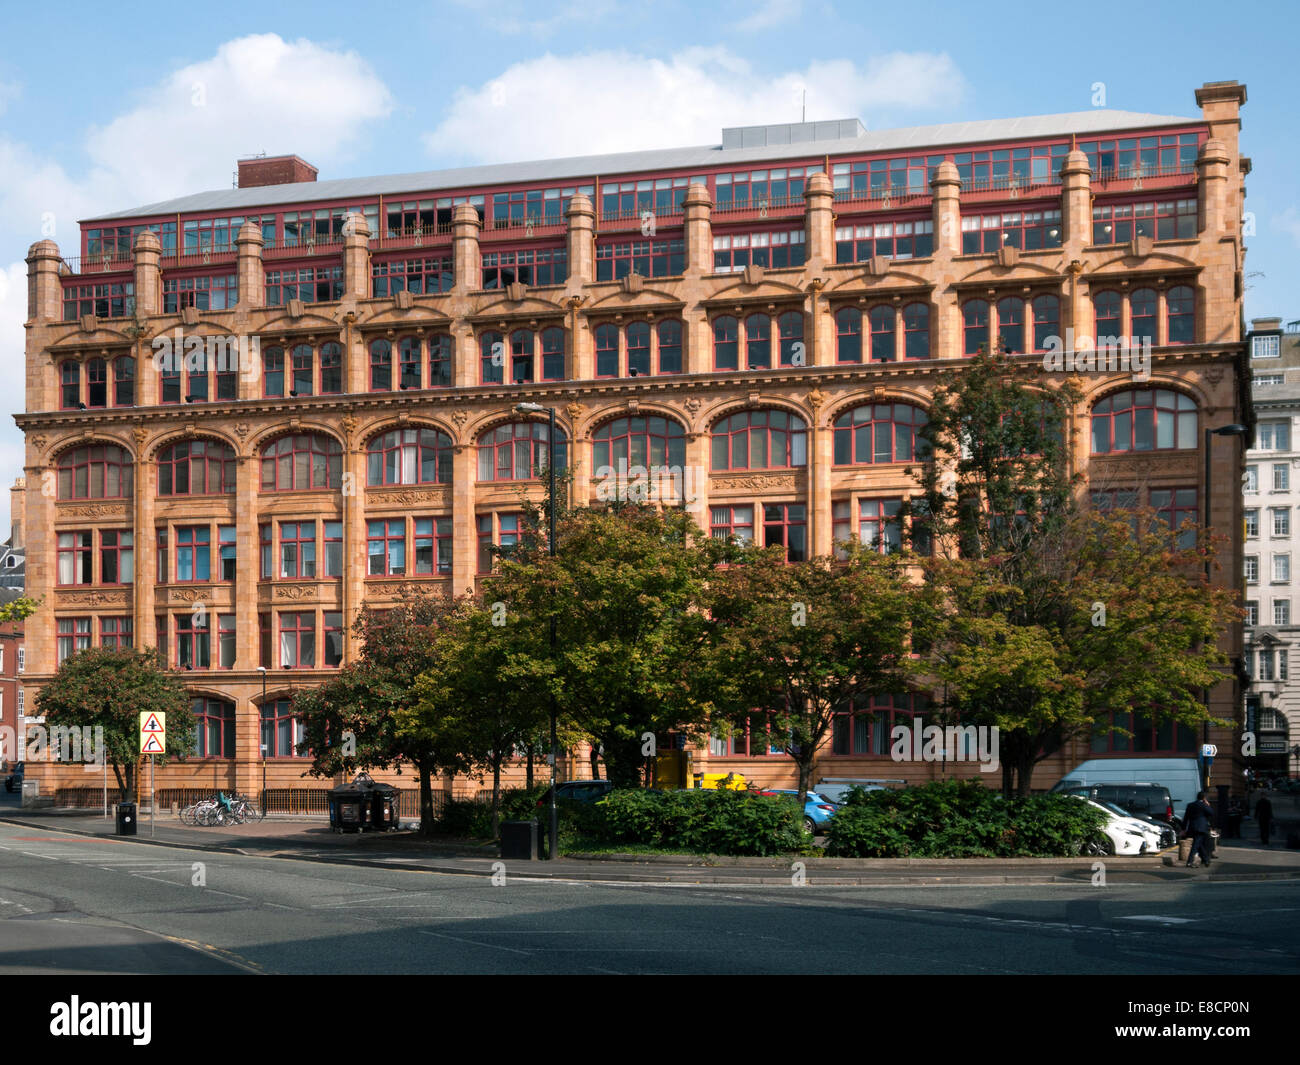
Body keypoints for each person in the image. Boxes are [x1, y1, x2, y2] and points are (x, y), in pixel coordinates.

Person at [1183, 791, 1215, 868]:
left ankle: (1206, 860)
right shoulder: (1203, 805)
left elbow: (1186, 818)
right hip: (1201, 827)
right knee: (1196, 845)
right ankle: (1189, 861)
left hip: (1192, 827)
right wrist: (1208, 805)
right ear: (1204, 798)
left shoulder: (1190, 805)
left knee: (1199, 843)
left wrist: (1183, 828)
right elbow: (1211, 813)